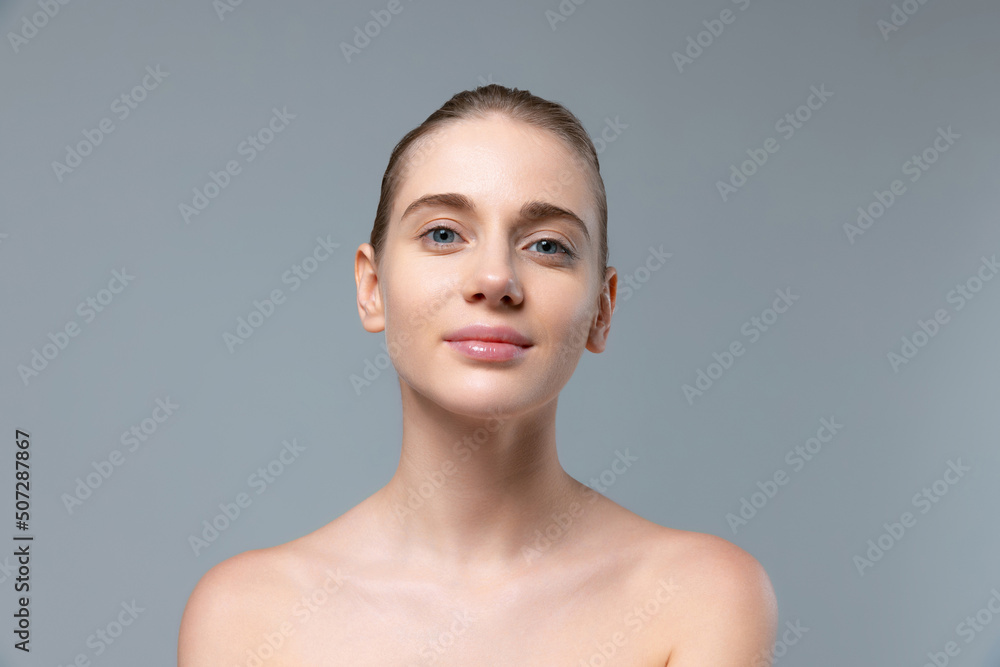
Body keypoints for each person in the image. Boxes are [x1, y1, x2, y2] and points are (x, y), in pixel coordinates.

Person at [178, 84, 778, 666]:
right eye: (443, 234)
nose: (495, 278)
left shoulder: (700, 598)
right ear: (372, 288)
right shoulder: (245, 616)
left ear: (603, 308)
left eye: (547, 246)